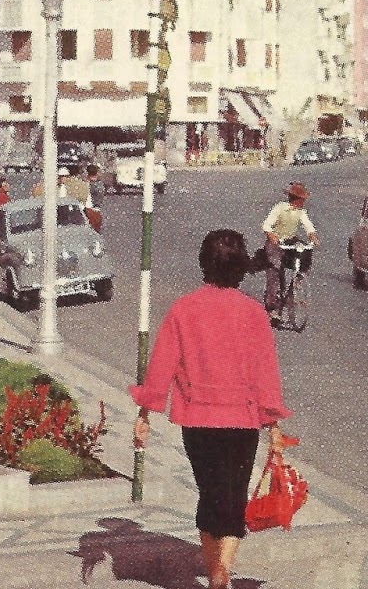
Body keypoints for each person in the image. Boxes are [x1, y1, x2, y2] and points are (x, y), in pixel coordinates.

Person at [131, 229, 292, 589]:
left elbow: (161, 366)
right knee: (234, 495)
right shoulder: (253, 313)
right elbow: (266, 373)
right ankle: (222, 571)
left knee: (210, 491)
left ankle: (217, 570)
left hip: (199, 421)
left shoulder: (183, 309)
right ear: (241, 269)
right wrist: (273, 426)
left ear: (204, 265)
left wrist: (144, 415)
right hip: (242, 422)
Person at [261, 183, 319, 324]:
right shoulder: (280, 208)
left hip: (289, 240)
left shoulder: (301, 212)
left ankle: (299, 279)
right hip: (276, 242)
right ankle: (272, 308)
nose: (303, 202)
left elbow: (308, 225)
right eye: (301, 199)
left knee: (305, 251)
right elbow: (266, 225)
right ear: (295, 198)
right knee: (274, 271)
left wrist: (312, 236)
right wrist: (272, 235)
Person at [84, 164, 104, 232]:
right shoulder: (99, 184)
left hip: (86, 209)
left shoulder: (86, 183)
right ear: (97, 173)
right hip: (95, 210)